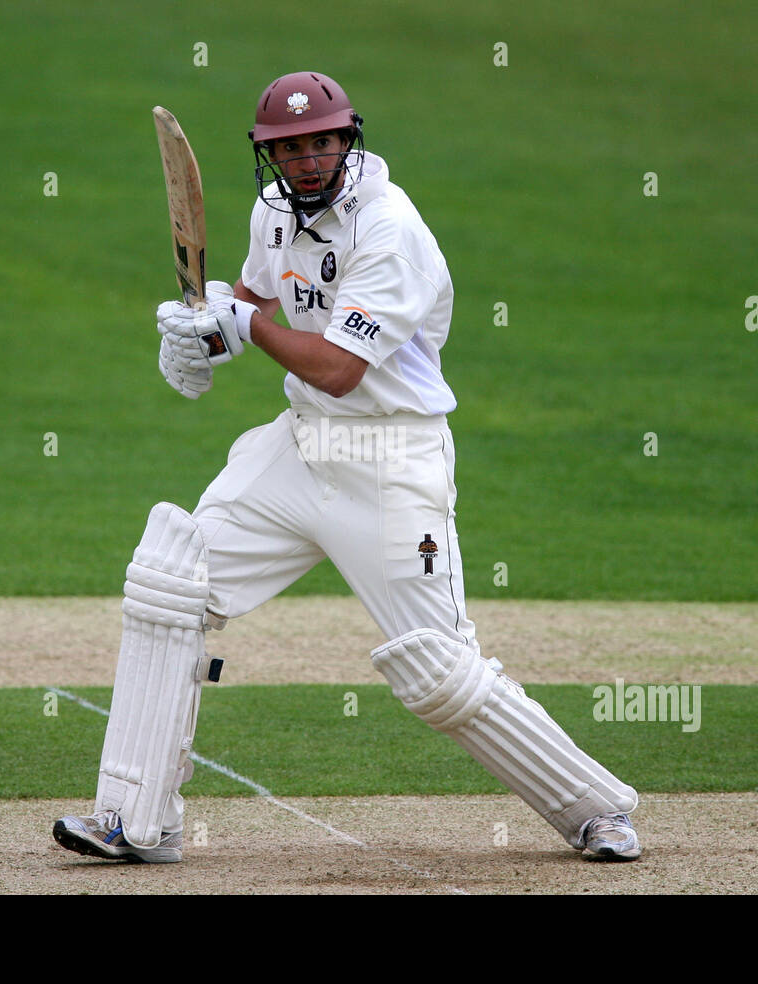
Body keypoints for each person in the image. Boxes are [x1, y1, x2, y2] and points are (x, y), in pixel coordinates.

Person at [52, 71, 641, 864]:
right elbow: (263, 304)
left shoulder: (390, 231)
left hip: (393, 458)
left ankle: (596, 808)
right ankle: (134, 820)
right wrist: (205, 335)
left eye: (320, 142)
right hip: (303, 444)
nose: (306, 160)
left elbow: (337, 368)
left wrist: (242, 328)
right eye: (288, 147)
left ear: (346, 139)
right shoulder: (272, 211)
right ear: (269, 154)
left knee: (436, 670)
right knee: (173, 581)